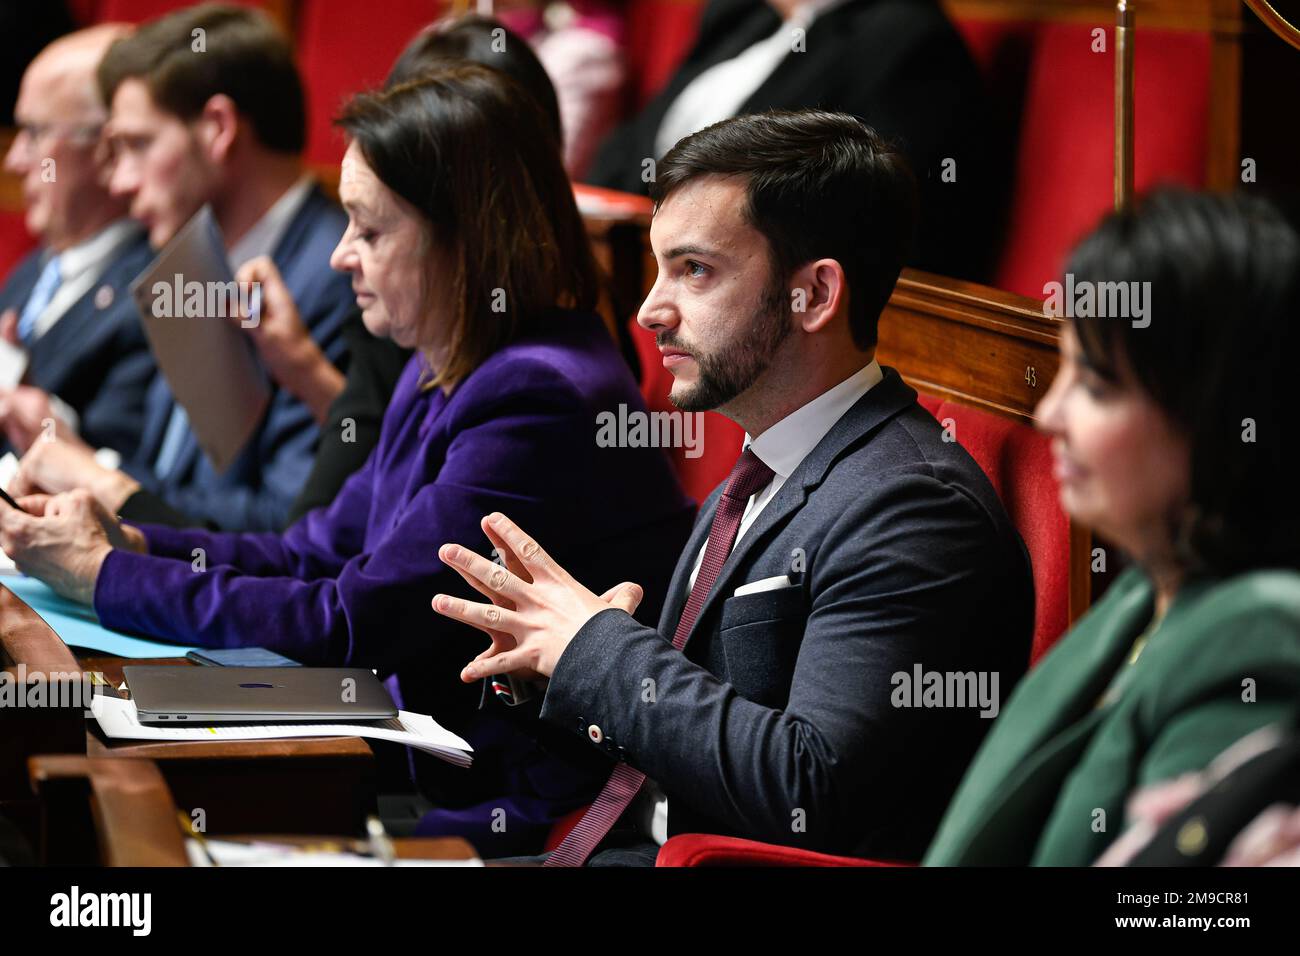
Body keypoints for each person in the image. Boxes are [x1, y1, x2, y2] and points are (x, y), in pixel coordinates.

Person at [0, 63, 695, 856]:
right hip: (412, 759)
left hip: (507, 810)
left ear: (460, 239)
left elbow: (351, 620)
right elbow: (315, 550)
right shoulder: (448, 362)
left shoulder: (536, 394)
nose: (339, 257)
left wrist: (100, 576)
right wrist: (131, 543)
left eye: (368, 229)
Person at [432, 109, 1035, 865]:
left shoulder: (912, 506)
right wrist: (550, 663)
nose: (650, 310)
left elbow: (810, 790)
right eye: (659, 269)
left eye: (695, 270)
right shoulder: (766, 464)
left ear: (812, 295)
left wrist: (599, 651)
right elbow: (682, 750)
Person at [922, 190, 1300, 866]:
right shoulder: (1139, 595)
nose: (1049, 417)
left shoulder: (1257, 639)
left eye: (1096, 386)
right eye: (1061, 367)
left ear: (1216, 418)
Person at [9, 4, 354, 532]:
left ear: (218, 128)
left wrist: (100, 477)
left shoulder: (338, 275)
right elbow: (170, 475)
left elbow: (286, 530)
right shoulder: (189, 262)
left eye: (136, 146)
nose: (121, 182)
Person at [275, 13, 570, 520]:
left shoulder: (534, 384)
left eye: (370, 229)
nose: (341, 256)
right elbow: (323, 543)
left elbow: (357, 590)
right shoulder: (422, 350)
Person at [585, 0, 1005, 282]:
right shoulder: (743, 17)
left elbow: (875, 220)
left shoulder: (904, 37)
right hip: (639, 262)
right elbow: (633, 145)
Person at [0, 25, 157, 461]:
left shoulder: (156, 295)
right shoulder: (35, 268)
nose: (15, 160)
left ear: (108, 151)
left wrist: (35, 419)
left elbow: (123, 479)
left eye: (34, 133)